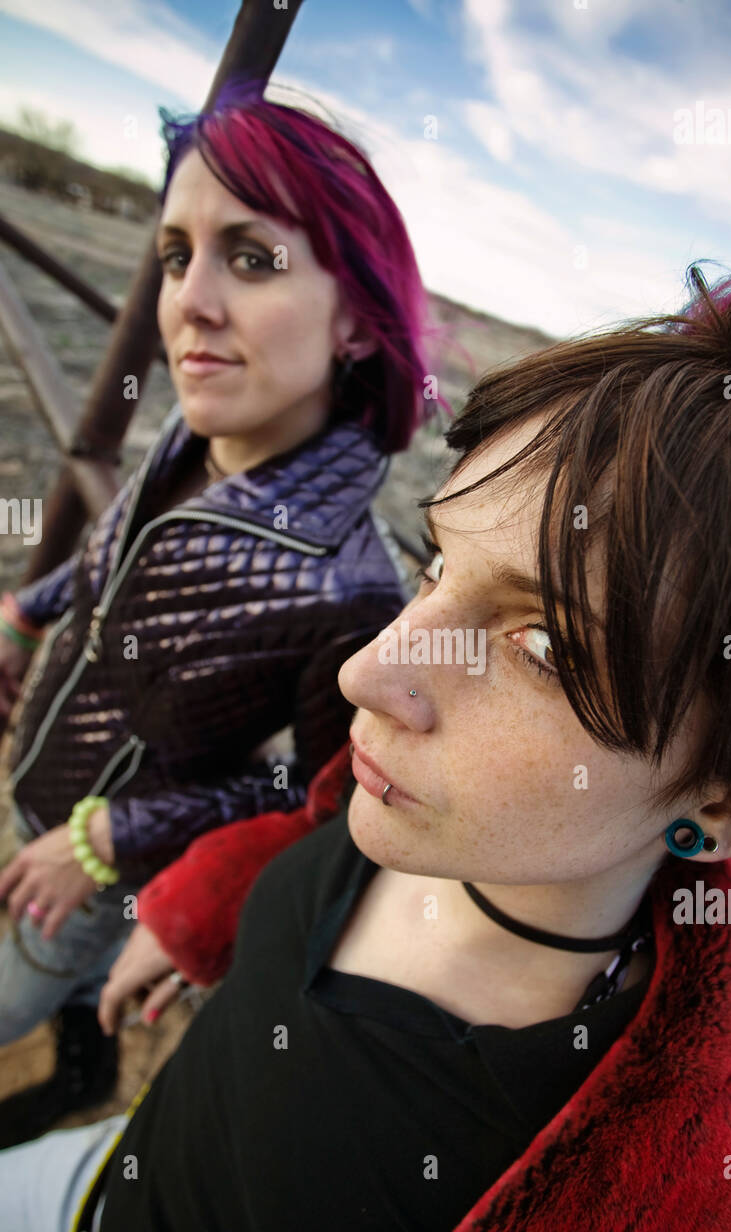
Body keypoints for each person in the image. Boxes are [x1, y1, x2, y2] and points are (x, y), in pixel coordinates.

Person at [1, 261, 731, 1232]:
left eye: (544, 642)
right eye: (434, 564)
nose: (370, 670)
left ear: (725, 807)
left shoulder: (619, 1211)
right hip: (83, 1186)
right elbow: (310, 821)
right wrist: (201, 906)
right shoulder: (422, 805)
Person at [0, 75, 445, 1143]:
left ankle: (73, 1052)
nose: (189, 301)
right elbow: (114, 552)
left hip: (92, 867)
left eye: (251, 258)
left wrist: (113, 837)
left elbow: (322, 803)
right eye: (175, 255)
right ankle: (85, 1056)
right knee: (61, 994)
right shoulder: (193, 437)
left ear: (354, 319)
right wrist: (31, 609)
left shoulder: (354, 592)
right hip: (35, 785)